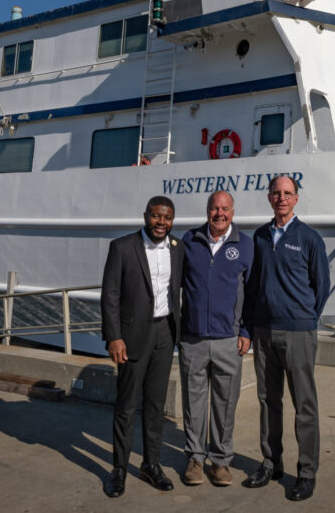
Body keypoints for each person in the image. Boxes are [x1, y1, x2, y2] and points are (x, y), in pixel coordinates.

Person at [242, 174, 331, 502]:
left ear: (296, 198)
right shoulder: (261, 236)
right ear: (269, 198)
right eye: (276, 193)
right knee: (268, 400)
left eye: (287, 193)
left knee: (304, 404)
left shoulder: (309, 238)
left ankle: (307, 472)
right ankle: (271, 462)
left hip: (298, 333)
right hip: (264, 332)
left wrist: (304, 318)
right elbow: (253, 287)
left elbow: (321, 287)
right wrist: (249, 328)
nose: (281, 198)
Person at [100, 196, 183, 498]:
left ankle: (151, 464)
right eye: (157, 216)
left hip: (165, 332)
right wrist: (114, 337)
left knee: (155, 405)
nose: (162, 223)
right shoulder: (122, 247)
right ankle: (119, 469)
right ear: (146, 215)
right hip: (132, 335)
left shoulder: (178, 248)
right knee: (126, 406)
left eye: (168, 218)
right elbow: (110, 295)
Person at [178, 190, 254, 487]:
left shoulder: (245, 245)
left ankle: (221, 461)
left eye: (224, 209)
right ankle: (196, 458)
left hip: (228, 339)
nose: (219, 214)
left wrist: (246, 331)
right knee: (193, 402)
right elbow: (174, 285)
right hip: (193, 338)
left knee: (225, 402)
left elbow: (252, 293)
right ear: (207, 210)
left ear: (233, 213)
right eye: (214, 208)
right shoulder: (189, 241)